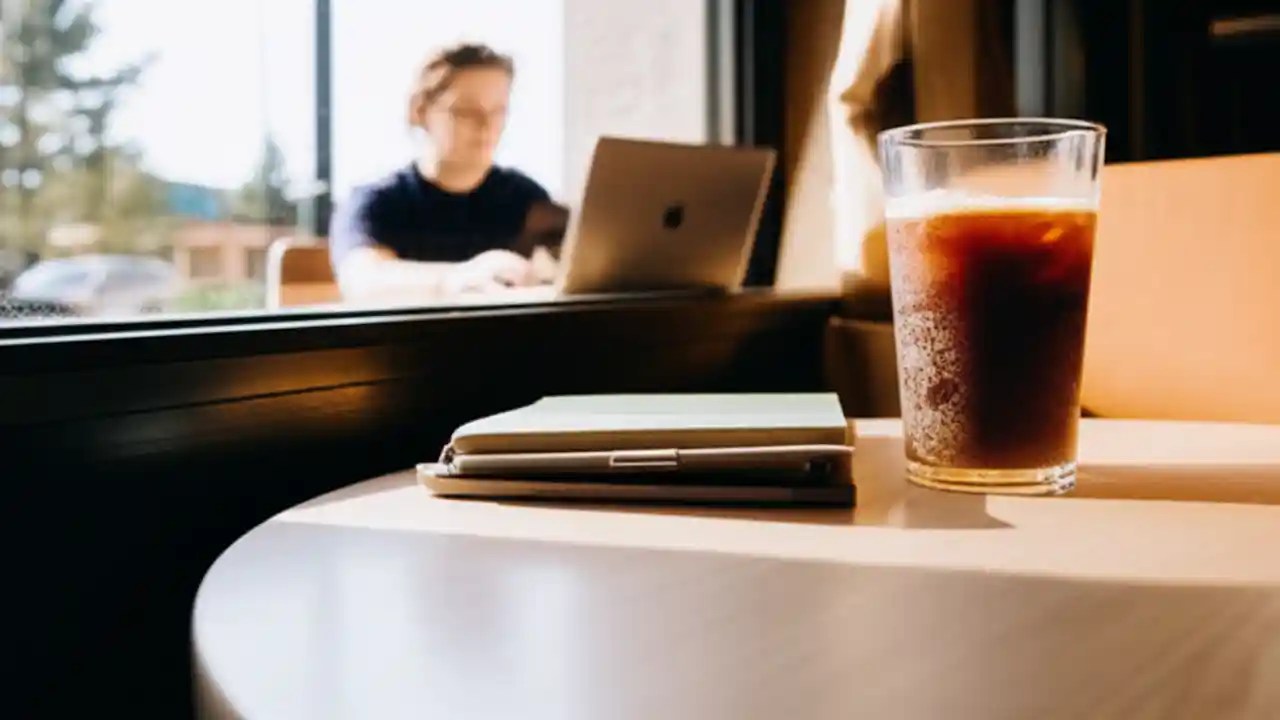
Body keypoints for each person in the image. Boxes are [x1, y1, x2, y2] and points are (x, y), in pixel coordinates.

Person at [330, 43, 567, 302]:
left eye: (498, 111)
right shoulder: (376, 202)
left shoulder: (527, 197)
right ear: (420, 112)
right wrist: (462, 279)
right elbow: (363, 280)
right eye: (466, 111)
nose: (486, 125)